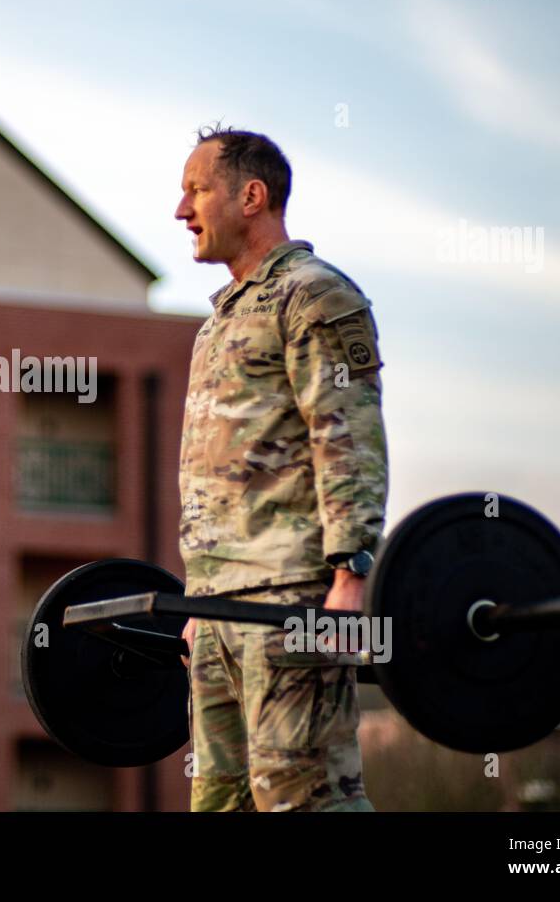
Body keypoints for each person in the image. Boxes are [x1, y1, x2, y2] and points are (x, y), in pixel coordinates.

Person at [173, 124, 387, 811]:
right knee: (220, 802)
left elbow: (347, 433)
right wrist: (198, 601)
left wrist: (350, 574)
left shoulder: (316, 296)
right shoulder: (218, 323)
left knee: (306, 800)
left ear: (252, 196)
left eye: (196, 190)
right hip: (216, 612)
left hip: (290, 602)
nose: (182, 211)